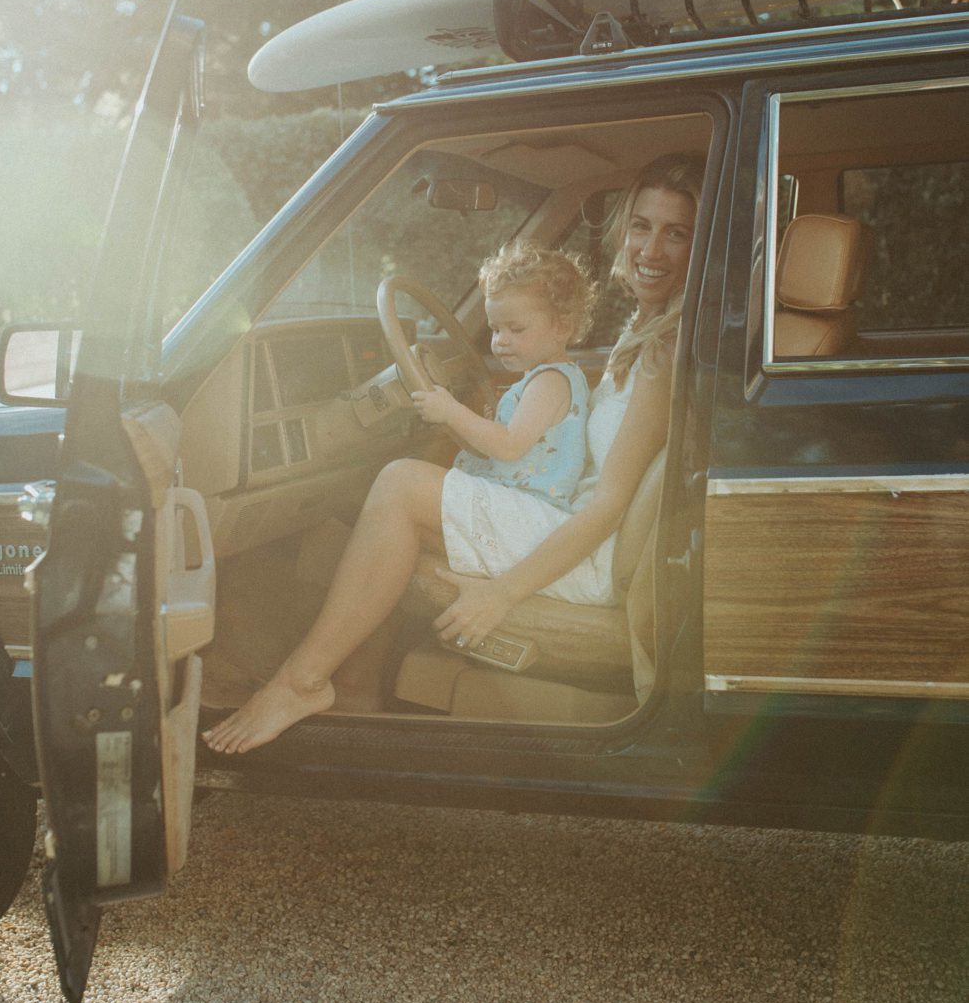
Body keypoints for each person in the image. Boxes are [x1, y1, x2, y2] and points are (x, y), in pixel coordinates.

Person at [203, 152, 701, 755]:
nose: (652, 249)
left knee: (400, 484)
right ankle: (356, 689)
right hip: (574, 532)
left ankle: (302, 682)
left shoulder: (663, 352)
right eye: (643, 226)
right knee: (394, 515)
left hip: (589, 554)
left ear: (701, 245)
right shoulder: (649, 330)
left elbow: (610, 505)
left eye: (678, 233)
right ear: (625, 231)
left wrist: (504, 593)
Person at [410, 240, 597, 511]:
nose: (500, 341)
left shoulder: (550, 382)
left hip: (526, 508)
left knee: (401, 477)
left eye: (516, 329)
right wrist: (493, 422)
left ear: (562, 327)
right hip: (518, 501)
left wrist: (451, 411)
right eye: (495, 329)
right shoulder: (547, 378)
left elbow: (509, 447)